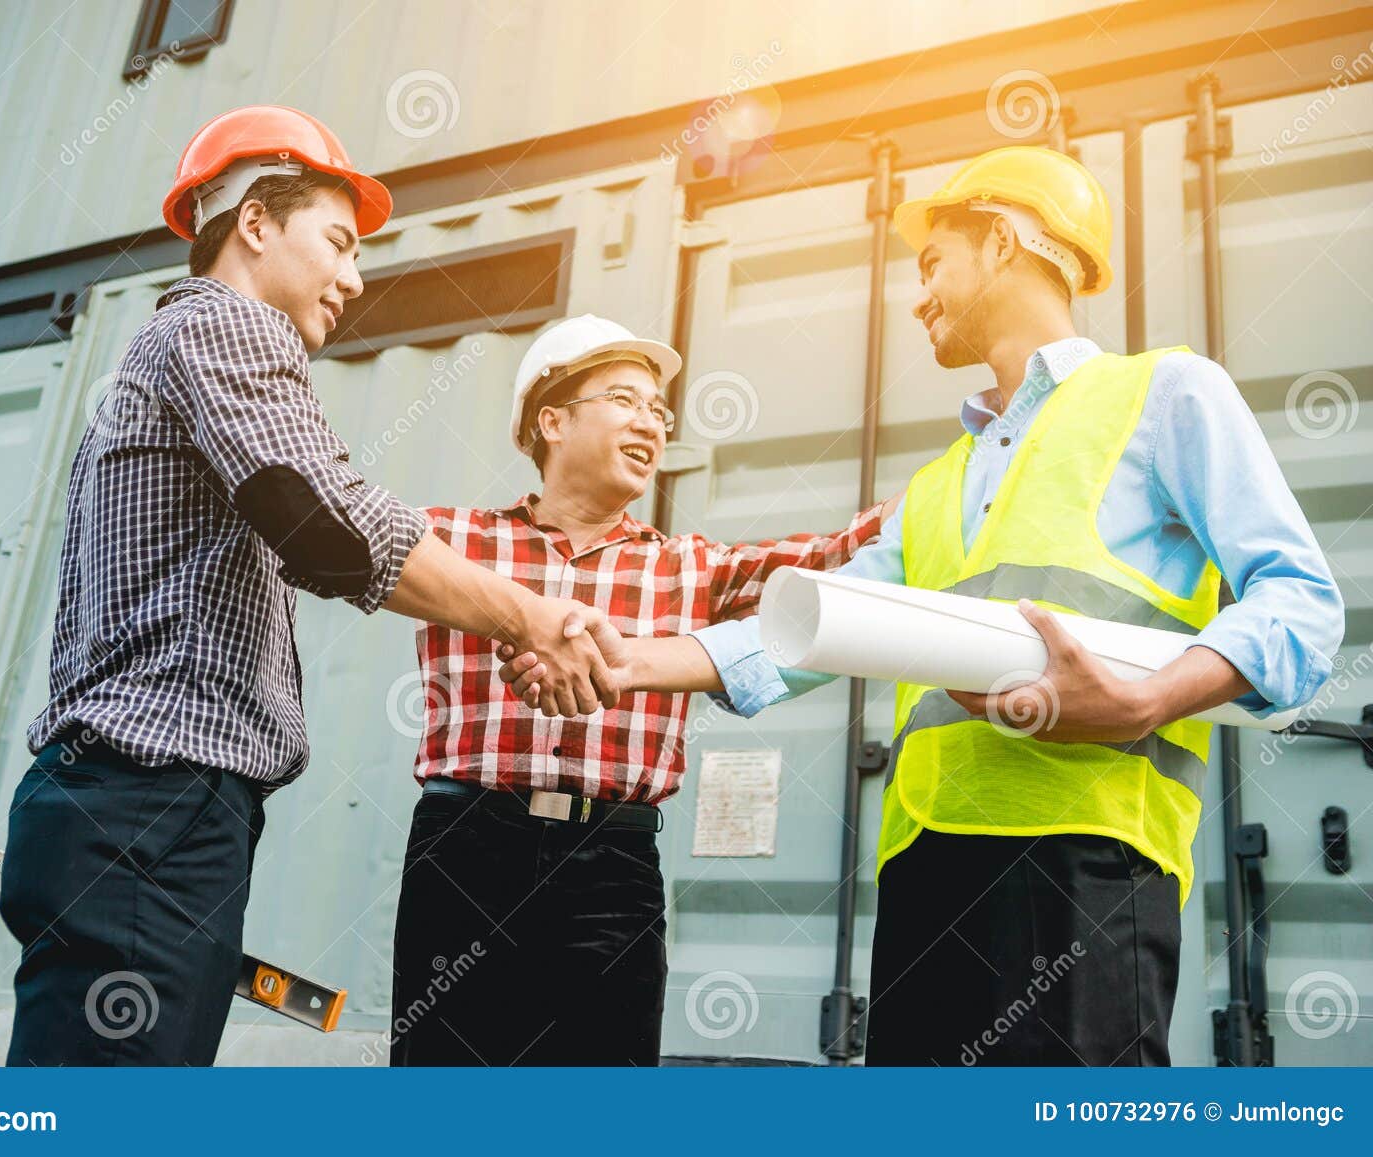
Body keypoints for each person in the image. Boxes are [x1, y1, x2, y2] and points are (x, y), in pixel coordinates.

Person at [501, 147, 1344, 1066]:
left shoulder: (1165, 394)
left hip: (1088, 859)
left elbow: (1302, 606)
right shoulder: (939, 483)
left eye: (933, 262)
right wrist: (628, 659)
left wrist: (1147, 699)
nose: (919, 295)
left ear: (1003, 241)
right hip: (924, 870)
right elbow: (813, 626)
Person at [0, 106, 620, 1066]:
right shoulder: (224, 326)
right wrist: (532, 616)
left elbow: (310, 525)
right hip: (148, 807)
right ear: (254, 222)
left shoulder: (169, 359)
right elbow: (326, 523)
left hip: (130, 810)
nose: (354, 278)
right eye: (338, 241)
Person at [389, 314, 887, 1065]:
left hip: (613, 865)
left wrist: (944, 493)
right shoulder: (451, 540)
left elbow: (833, 556)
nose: (650, 422)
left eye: (659, 410)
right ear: (552, 420)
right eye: (624, 399)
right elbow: (346, 542)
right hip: (466, 850)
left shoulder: (689, 566)